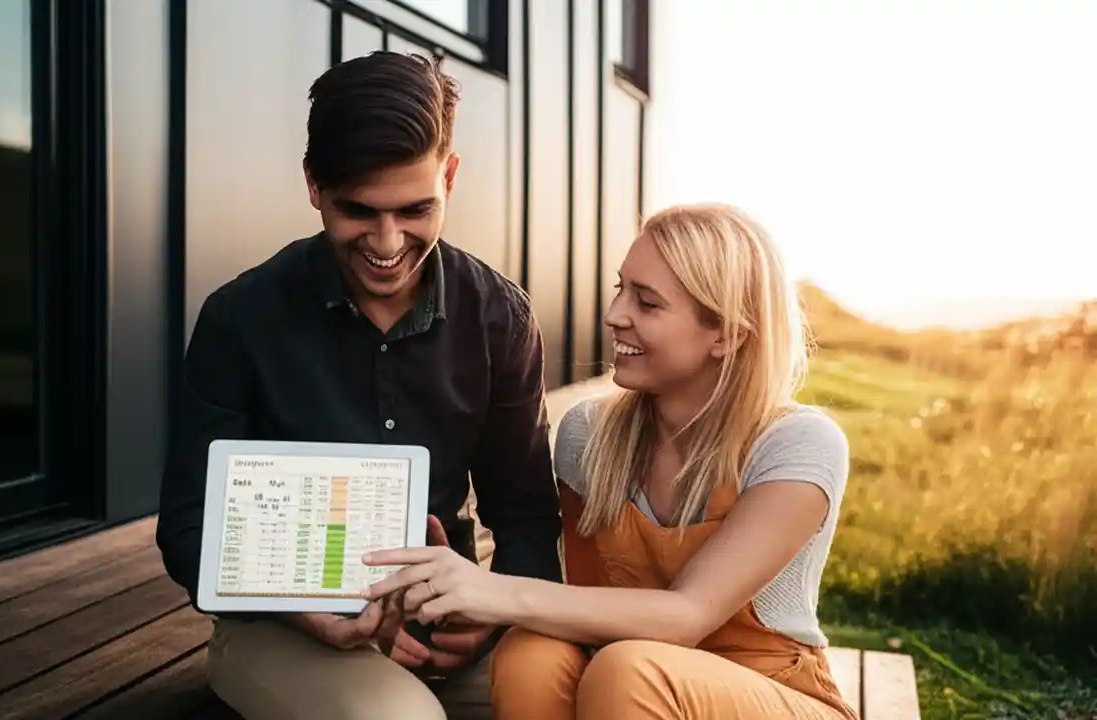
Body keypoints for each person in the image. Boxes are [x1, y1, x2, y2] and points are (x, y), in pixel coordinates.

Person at [155, 51, 562, 719]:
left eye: (415, 209)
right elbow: (188, 527)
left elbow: (526, 518)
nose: (388, 242)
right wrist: (303, 611)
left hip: (447, 631)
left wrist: (493, 615)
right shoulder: (239, 318)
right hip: (282, 631)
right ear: (313, 184)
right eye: (359, 211)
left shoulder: (500, 317)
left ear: (450, 177)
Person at [363, 204, 861, 719]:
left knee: (630, 670)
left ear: (727, 333)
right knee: (531, 657)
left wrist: (492, 591)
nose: (614, 315)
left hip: (766, 689)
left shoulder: (796, 444)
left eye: (647, 303)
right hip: (621, 686)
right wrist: (454, 605)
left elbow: (688, 614)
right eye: (621, 289)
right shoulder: (589, 437)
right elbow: (582, 604)